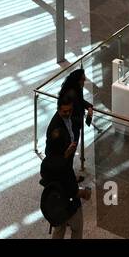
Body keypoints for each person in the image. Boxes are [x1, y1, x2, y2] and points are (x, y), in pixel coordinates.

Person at [40, 91, 91, 238]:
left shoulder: (48, 164)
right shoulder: (55, 131)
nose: (68, 113)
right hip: (65, 197)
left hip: (58, 193)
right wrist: (82, 193)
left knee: (60, 227)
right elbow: (69, 186)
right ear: (58, 109)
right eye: (64, 111)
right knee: (76, 227)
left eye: (69, 110)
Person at [58, 70, 95, 174]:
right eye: (83, 79)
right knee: (70, 150)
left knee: (71, 150)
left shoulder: (75, 89)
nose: (85, 81)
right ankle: (67, 175)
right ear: (77, 81)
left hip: (75, 124)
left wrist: (89, 106)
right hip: (73, 126)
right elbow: (75, 105)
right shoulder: (71, 93)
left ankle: (68, 174)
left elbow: (80, 101)